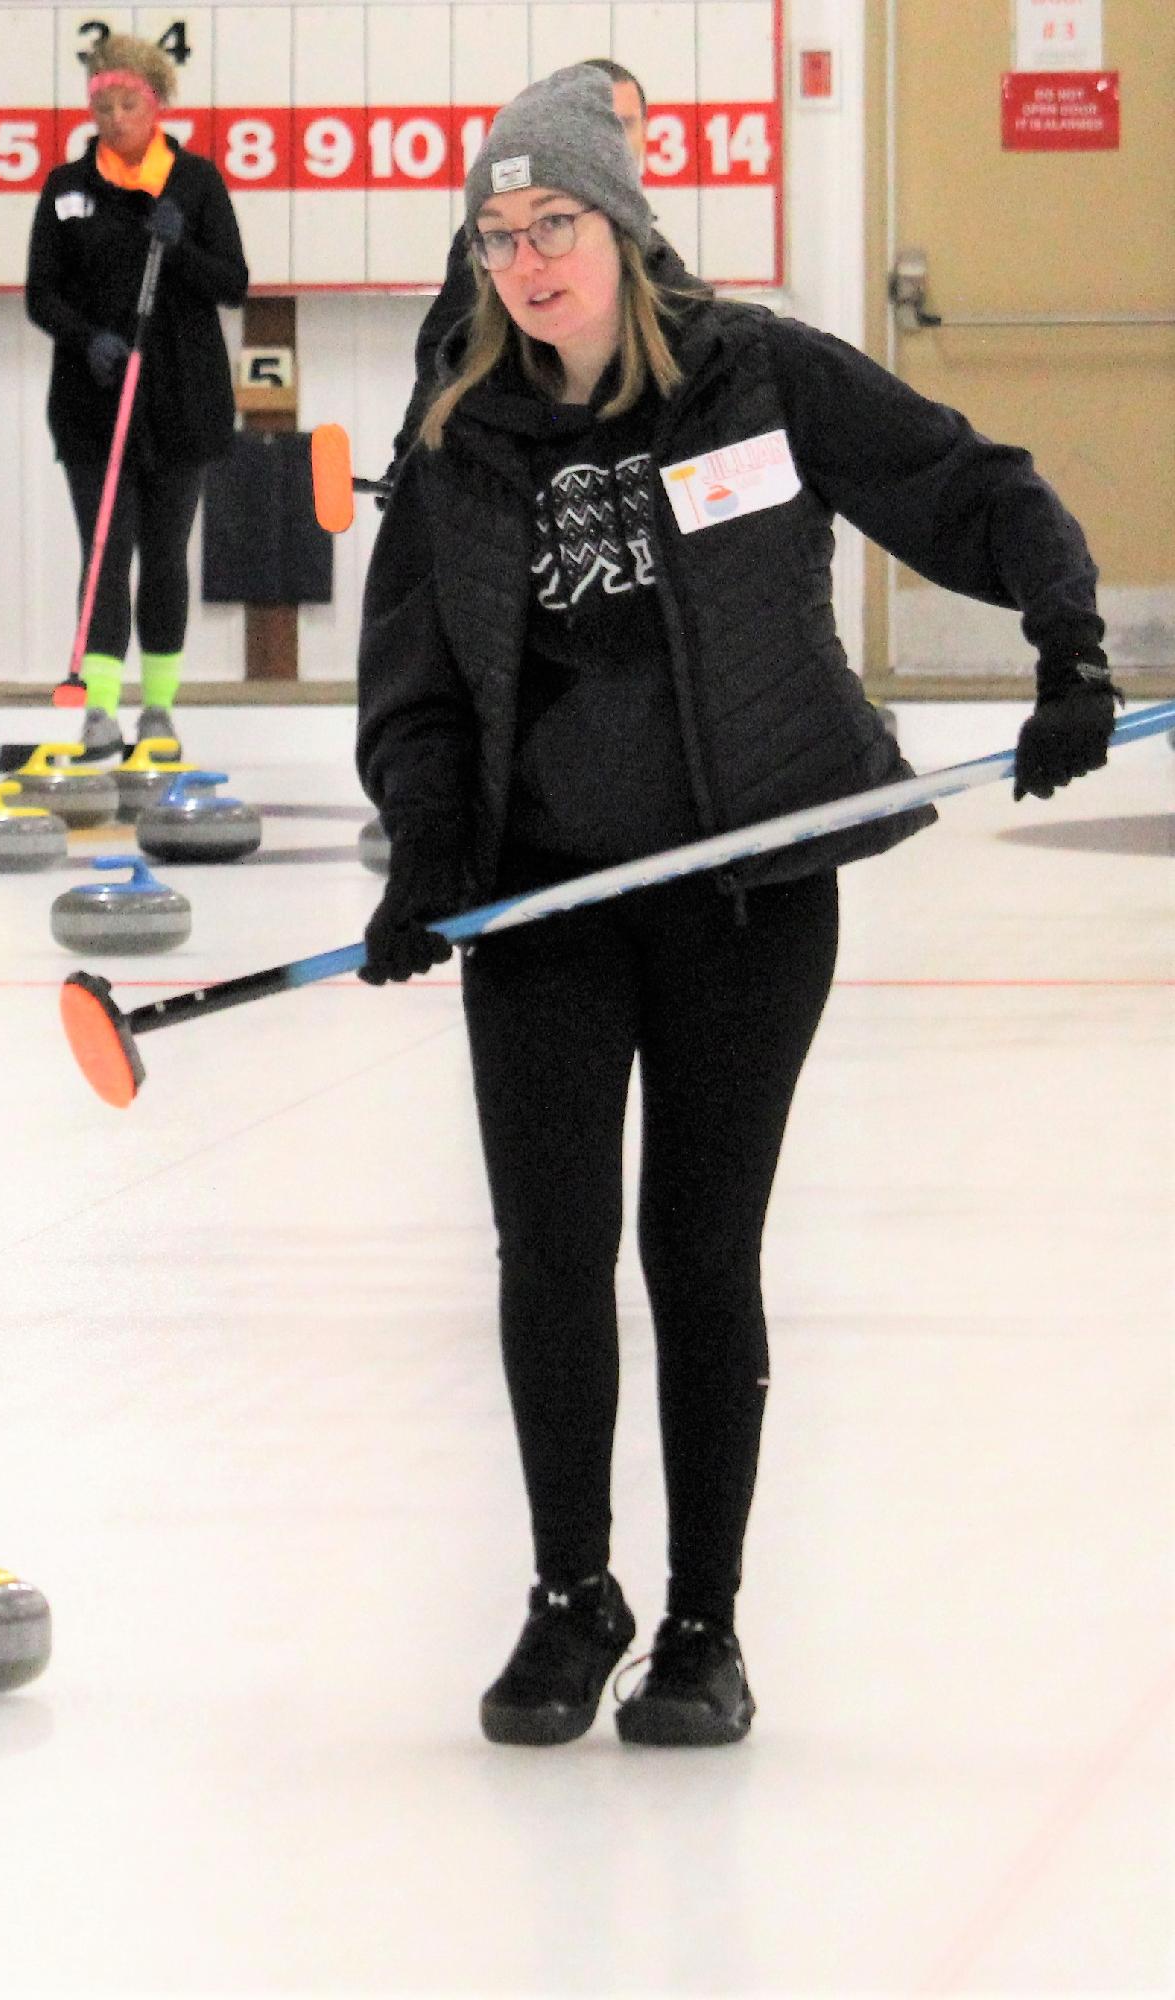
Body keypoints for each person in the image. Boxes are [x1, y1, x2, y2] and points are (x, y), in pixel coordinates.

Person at [355, 65, 1117, 1752]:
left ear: (619, 229)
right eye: (495, 237)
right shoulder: (459, 438)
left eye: (551, 224)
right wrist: (423, 852)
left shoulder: (751, 377)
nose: (525, 261)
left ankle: (700, 1624)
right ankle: (571, 1598)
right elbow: (411, 679)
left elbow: (967, 487)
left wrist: (1060, 639)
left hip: (744, 899)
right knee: (546, 1257)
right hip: (544, 900)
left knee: (696, 1252)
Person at [26, 33, 248, 760]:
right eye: (101, 104)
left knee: (162, 553)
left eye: (128, 103)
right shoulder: (66, 188)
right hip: (94, 406)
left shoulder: (195, 182)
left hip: (182, 401)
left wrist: (179, 247)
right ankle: (98, 709)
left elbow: (233, 283)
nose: (113, 116)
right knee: (104, 551)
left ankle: (157, 710)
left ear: (157, 104)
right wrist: (86, 337)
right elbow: (40, 294)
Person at [392, 58, 676, 467]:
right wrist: (417, 460)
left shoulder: (732, 360)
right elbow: (448, 355)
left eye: (624, 123)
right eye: (501, 238)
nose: (527, 263)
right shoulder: (491, 249)